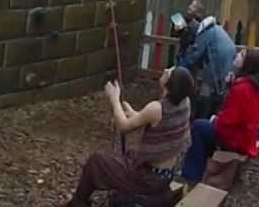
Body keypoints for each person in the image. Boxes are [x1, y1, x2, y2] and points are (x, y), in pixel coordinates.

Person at [65, 67, 194, 207]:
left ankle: (79, 202)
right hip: (166, 176)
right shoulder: (185, 102)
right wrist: (135, 114)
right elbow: (158, 122)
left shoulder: (157, 108)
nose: (165, 69)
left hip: (148, 179)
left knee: (96, 162)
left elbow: (123, 127)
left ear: (168, 85)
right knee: (129, 154)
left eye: (168, 72)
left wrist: (114, 98)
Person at [182, 50, 259, 183]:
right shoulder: (255, 87)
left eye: (241, 55)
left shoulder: (241, 89)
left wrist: (216, 119)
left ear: (246, 63)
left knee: (198, 126)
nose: (237, 54)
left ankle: (191, 174)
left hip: (236, 138)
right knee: (205, 127)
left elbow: (230, 119)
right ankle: (204, 168)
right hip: (247, 136)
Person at [176, 5, 238, 119]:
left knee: (210, 86)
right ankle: (215, 112)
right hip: (229, 54)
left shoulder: (204, 34)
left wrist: (184, 61)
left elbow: (195, 54)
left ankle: (204, 115)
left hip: (219, 58)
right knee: (221, 85)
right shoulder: (214, 28)